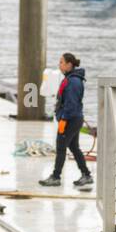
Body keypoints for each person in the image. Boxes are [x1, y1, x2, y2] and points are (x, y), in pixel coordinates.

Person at [39, 53, 92, 189]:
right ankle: (86, 175)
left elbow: (71, 104)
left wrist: (63, 120)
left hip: (70, 119)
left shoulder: (73, 81)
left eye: (62, 62)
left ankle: (56, 177)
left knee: (61, 146)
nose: (59, 65)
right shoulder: (72, 78)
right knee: (74, 147)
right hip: (75, 118)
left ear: (69, 64)